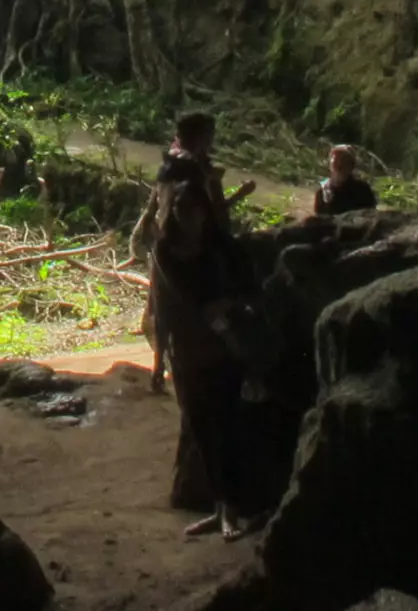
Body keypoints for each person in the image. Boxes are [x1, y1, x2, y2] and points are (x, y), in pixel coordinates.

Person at [146, 110, 262, 539]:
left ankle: (235, 509)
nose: (185, 213)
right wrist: (161, 357)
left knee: (226, 425)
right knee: (202, 427)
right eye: (178, 207)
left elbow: (242, 292)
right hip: (191, 351)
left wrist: (227, 313)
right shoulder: (168, 253)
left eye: (192, 207)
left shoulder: (217, 253)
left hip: (218, 349)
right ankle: (221, 507)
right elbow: (168, 304)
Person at [311, 144, 379, 217]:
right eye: (335, 159)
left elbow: (371, 218)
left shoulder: (362, 190)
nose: (339, 164)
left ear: (351, 165)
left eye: (343, 160)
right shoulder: (322, 192)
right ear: (330, 164)